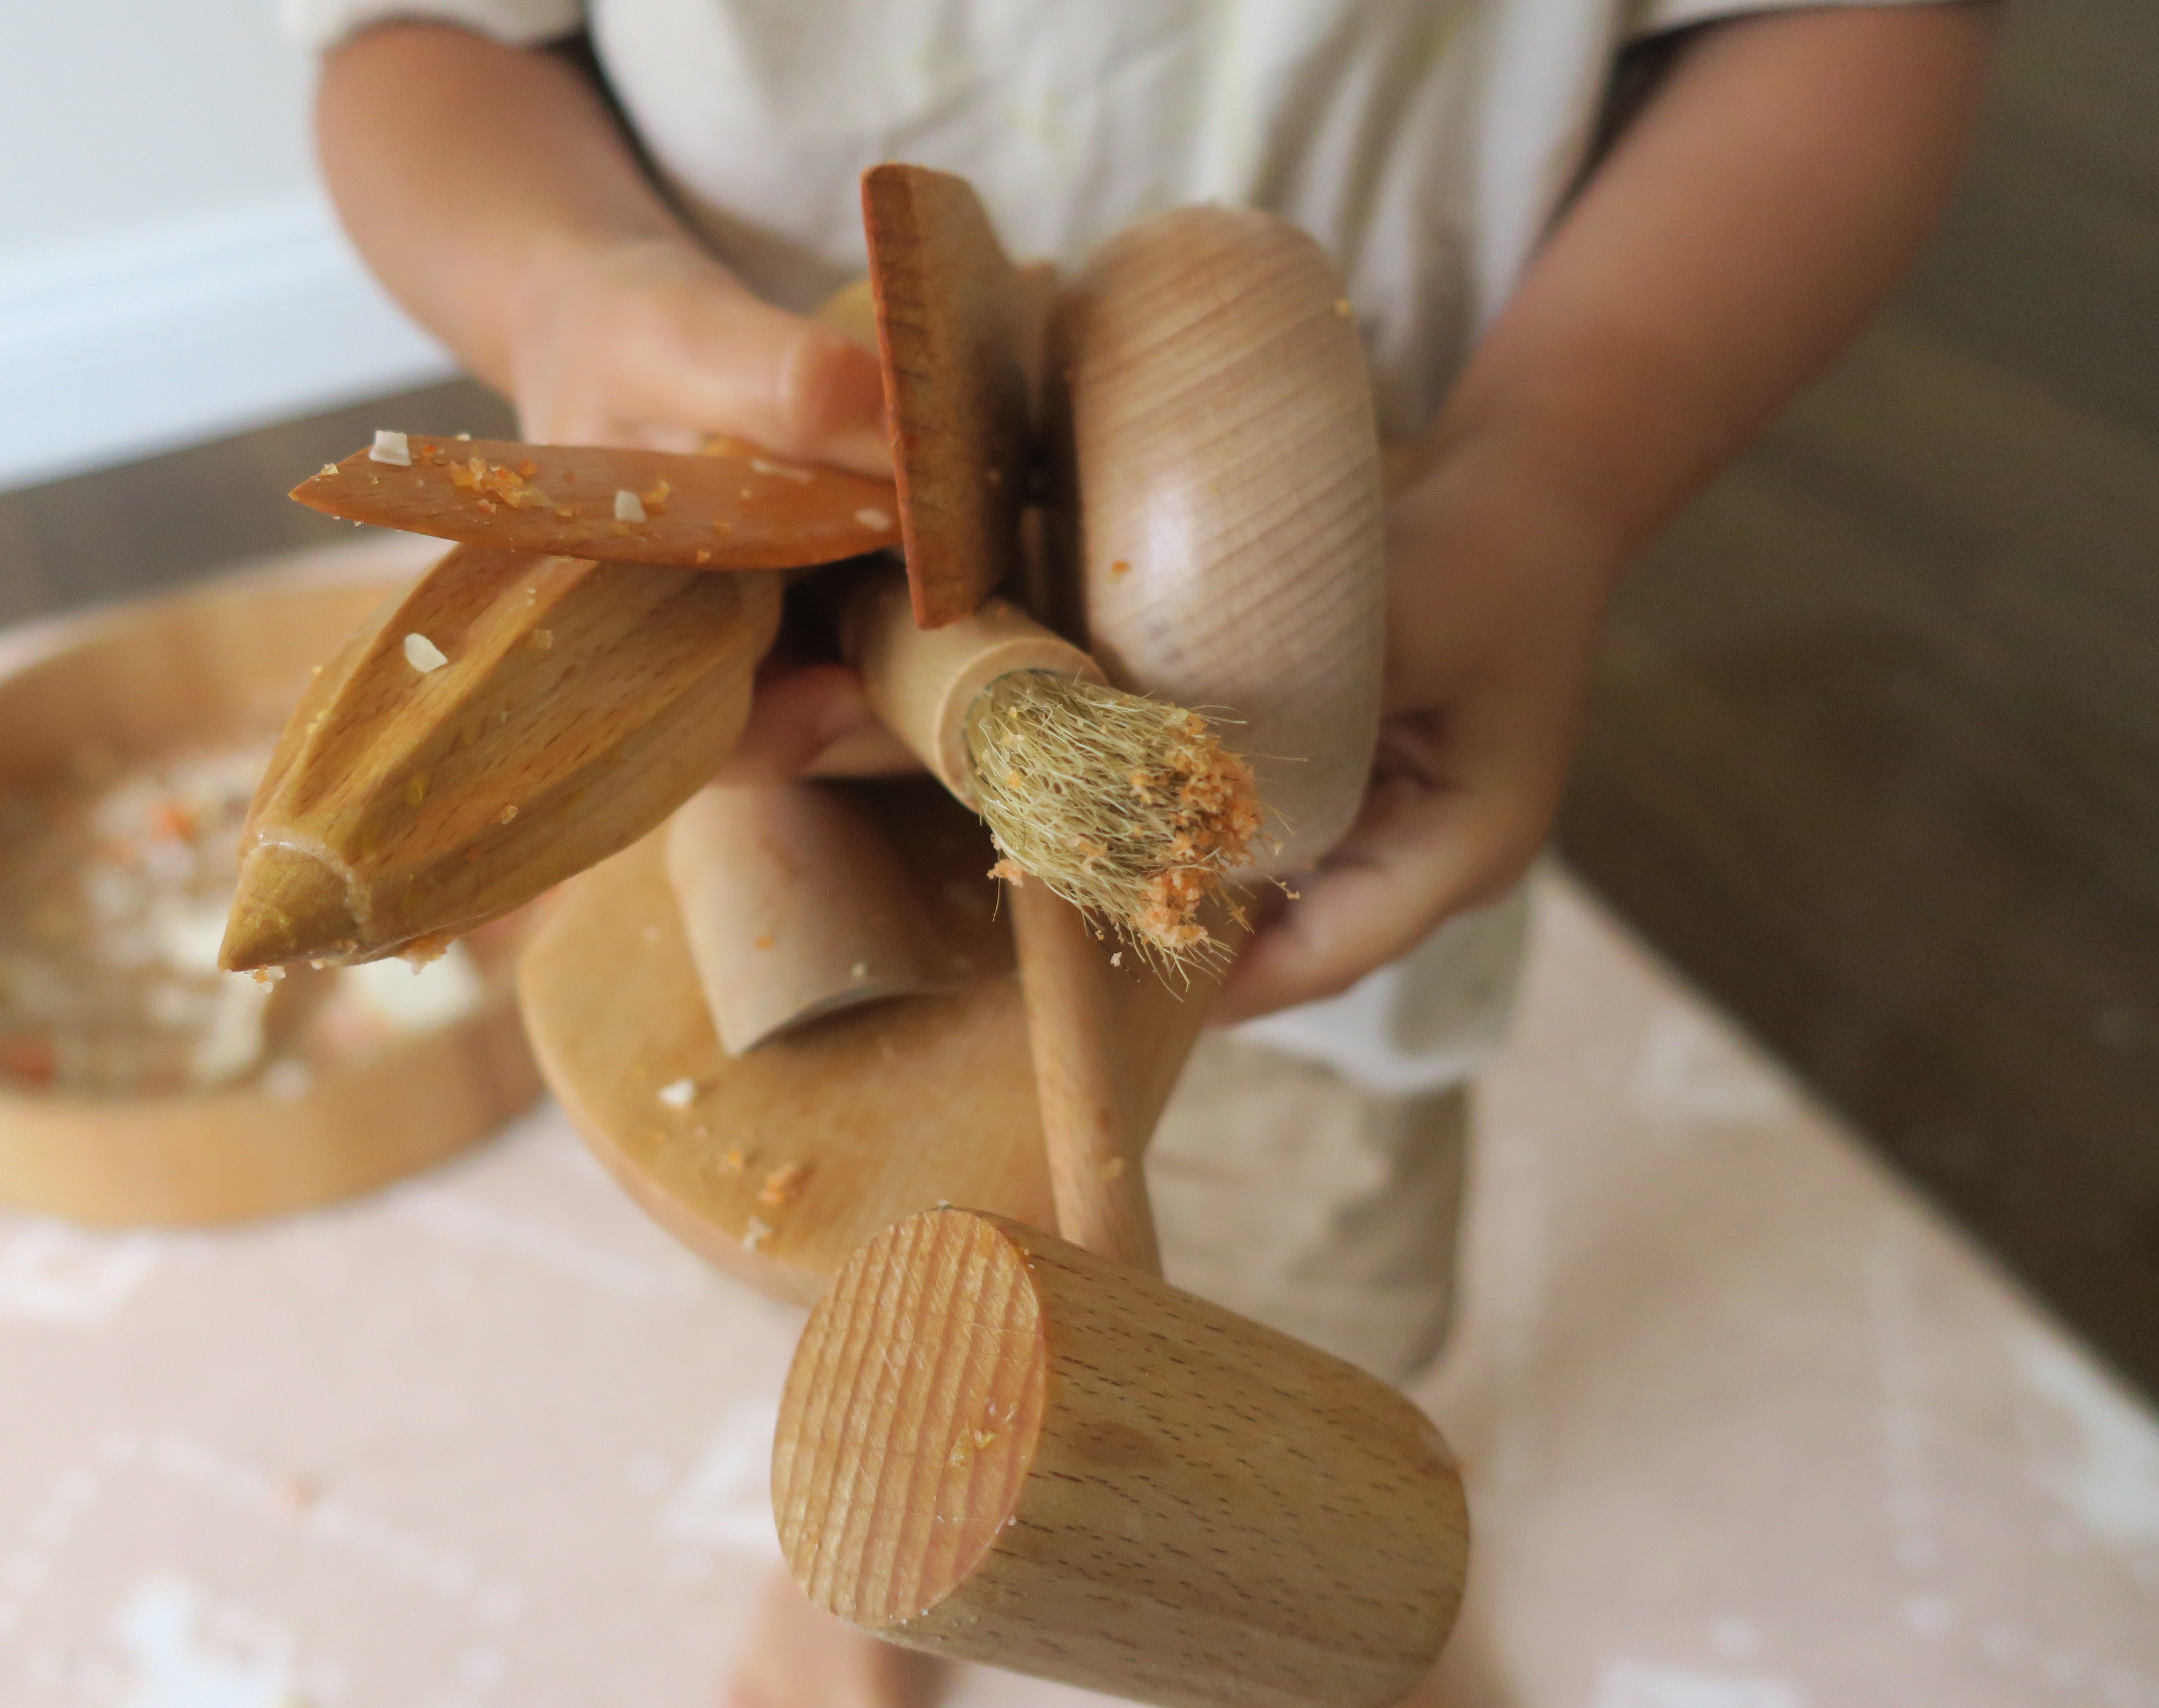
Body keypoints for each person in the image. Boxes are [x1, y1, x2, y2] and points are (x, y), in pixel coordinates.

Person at [281, 3, 1996, 1703]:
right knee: (839, 1223)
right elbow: (415, 42)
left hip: (1350, 689)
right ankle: (874, 1558)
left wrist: (1561, 473)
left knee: (1303, 1257)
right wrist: (563, 285)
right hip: (781, 701)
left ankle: (1268, 1570)